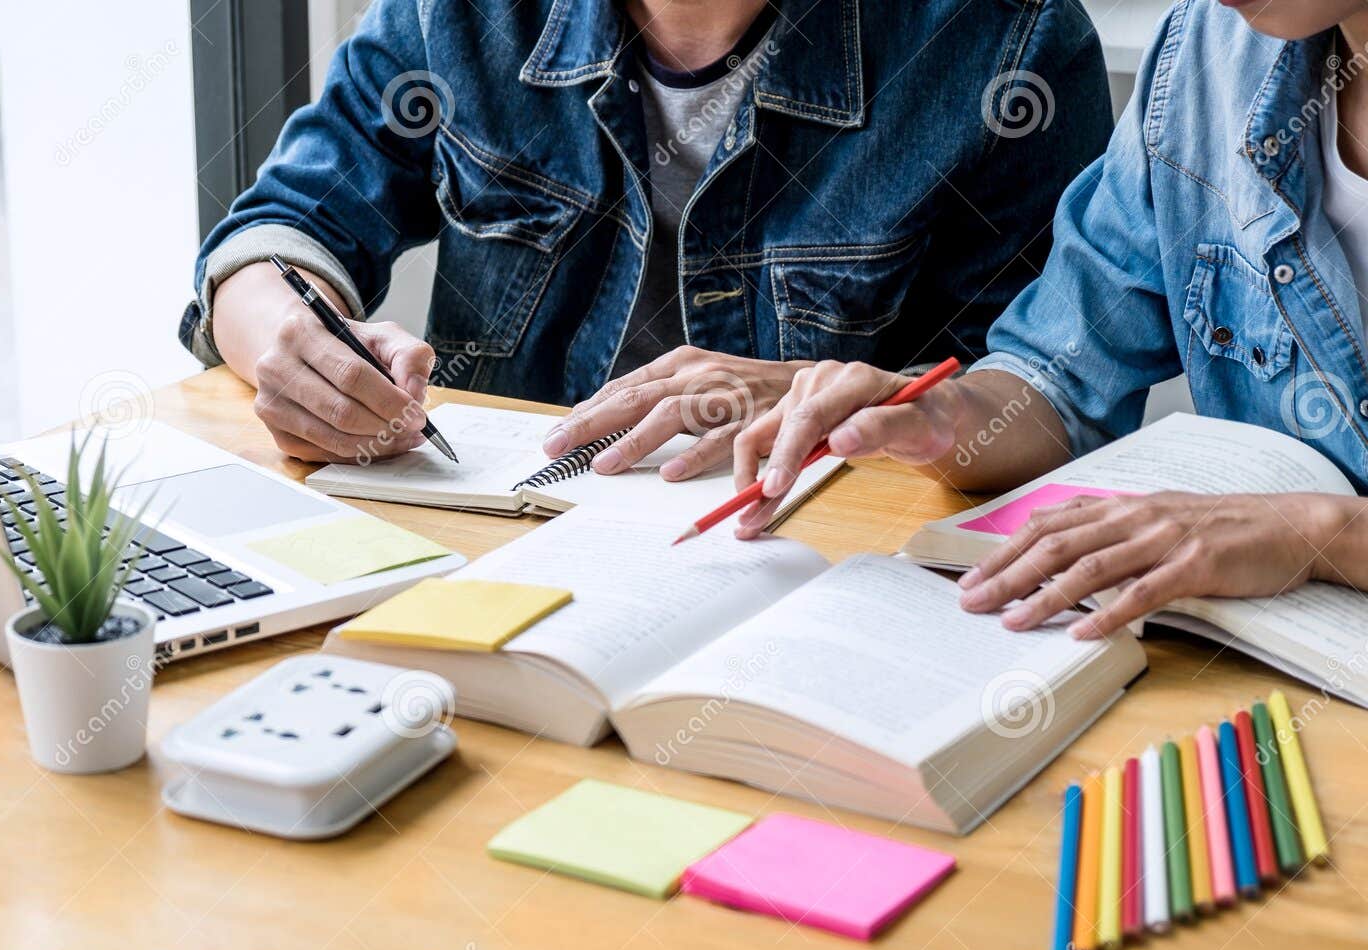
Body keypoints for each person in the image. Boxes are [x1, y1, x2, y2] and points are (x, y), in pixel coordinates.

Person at [182, 0, 1112, 474]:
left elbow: (1036, 406)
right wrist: (296, 349)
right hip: (491, 547)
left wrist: (812, 402)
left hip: (812, 579)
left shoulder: (1005, 45)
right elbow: (279, 233)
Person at [736, 0, 1368, 638]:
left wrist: (1319, 533)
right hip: (1275, 654)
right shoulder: (1205, 52)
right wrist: (945, 418)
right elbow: (1059, 378)